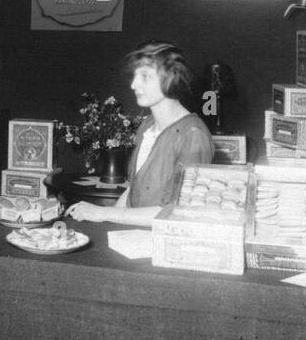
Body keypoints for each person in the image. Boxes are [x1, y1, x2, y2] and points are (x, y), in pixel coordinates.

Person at [67, 42, 214, 227]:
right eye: (135, 76)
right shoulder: (147, 125)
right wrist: (105, 222)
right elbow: (132, 190)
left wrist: (102, 213)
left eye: (145, 76)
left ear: (171, 78)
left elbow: (177, 213)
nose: (134, 84)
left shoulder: (193, 135)